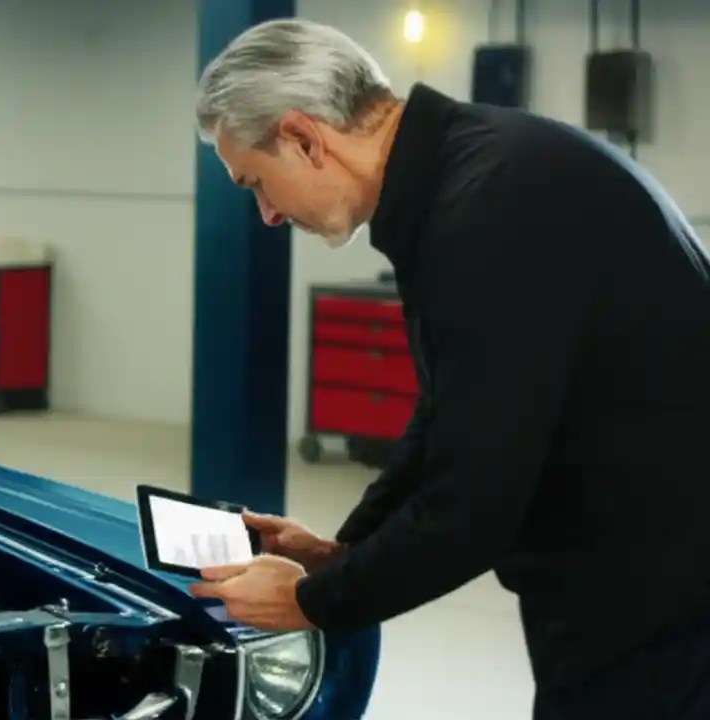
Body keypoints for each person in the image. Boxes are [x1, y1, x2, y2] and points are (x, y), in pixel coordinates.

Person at [187, 18, 710, 720]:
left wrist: (309, 603)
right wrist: (340, 550)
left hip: (662, 601)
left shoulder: (488, 207)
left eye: (256, 182)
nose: (268, 214)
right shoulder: (467, 176)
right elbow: (451, 421)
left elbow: (474, 505)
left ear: (305, 138)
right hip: (633, 580)